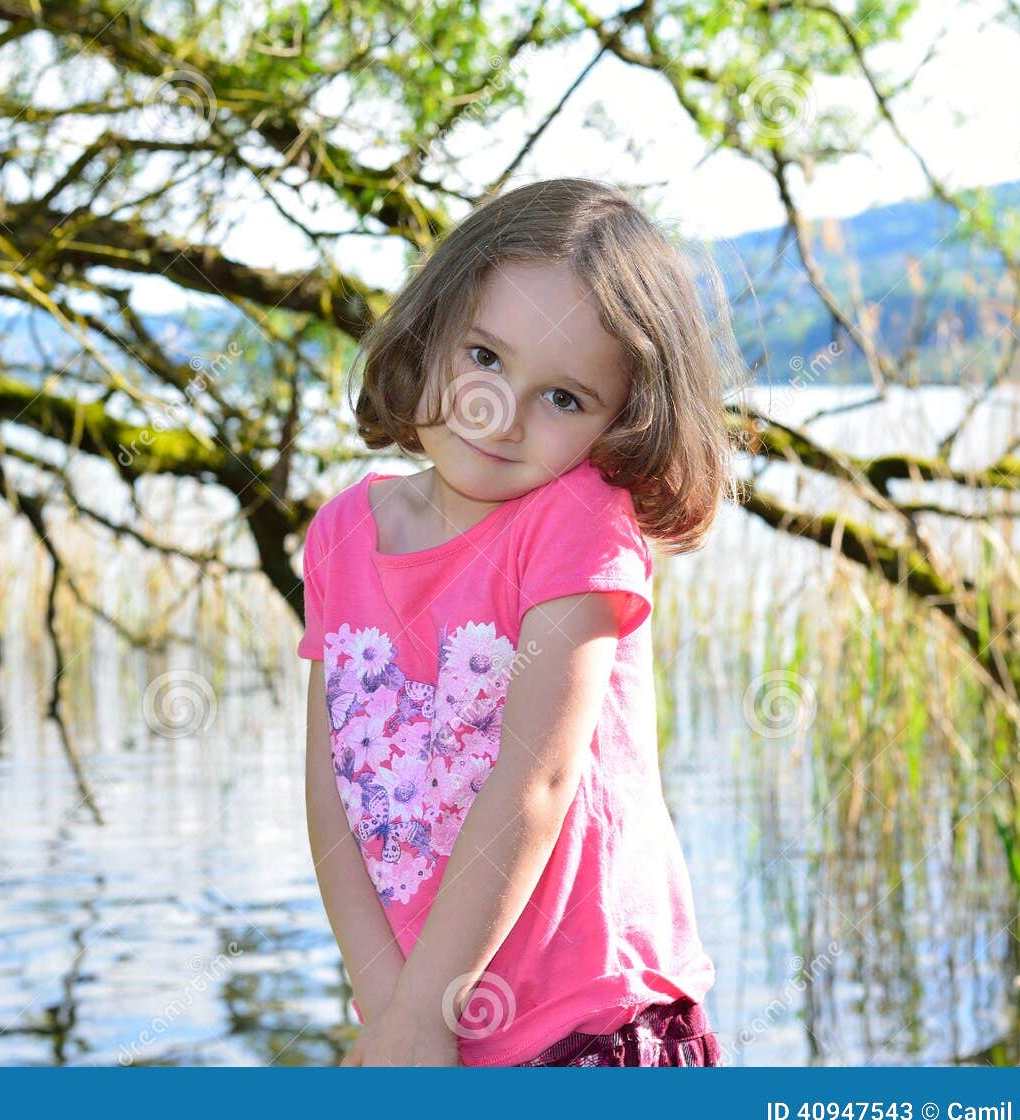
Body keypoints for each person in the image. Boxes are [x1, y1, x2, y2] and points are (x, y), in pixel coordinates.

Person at [296, 177, 742, 1067]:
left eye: (565, 398)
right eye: (486, 357)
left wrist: (426, 1004)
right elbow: (330, 794)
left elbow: (534, 782)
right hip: (430, 1023)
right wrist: (393, 1010)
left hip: (592, 1027)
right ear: (431, 330)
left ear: (625, 422)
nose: (501, 413)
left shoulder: (577, 520)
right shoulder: (344, 533)